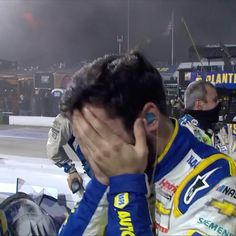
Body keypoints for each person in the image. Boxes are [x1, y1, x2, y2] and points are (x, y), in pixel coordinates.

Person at [59, 52, 236, 235]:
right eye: (84, 137)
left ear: (150, 118)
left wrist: (126, 185)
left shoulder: (221, 183)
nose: (93, 151)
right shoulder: (113, 169)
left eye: (99, 133)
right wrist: (101, 182)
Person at [179, 80, 236, 157]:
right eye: (215, 100)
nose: (219, 104)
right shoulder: (179, 134)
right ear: (199, 104)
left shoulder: (222, 130)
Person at [46, 105, 93, 193]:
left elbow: (52, 149)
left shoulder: (65, 117)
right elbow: (53, 149)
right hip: (98, 166)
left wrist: (70, 169)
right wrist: (70, 169)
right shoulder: (64, 119)